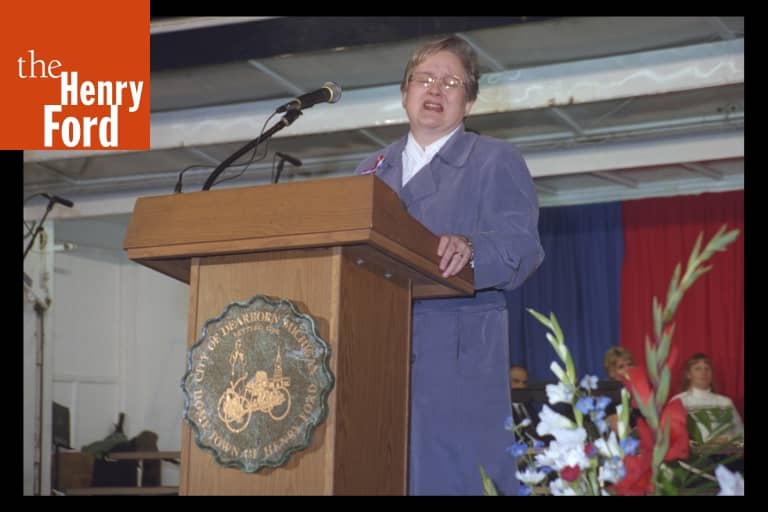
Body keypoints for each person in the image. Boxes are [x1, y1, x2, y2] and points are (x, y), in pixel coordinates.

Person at [355, 36, 544, 495]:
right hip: (375, 358)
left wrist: (474, 248)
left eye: (451, 82)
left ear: (470, 101)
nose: (435, 89)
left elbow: (523, 247)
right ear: (404, 93)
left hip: (458, 366)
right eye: (424, 79)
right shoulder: (369, 170)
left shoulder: (495, 160)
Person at [672, 353, 744, 444]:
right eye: (697, 369)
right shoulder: (679, 401)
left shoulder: (725, 402)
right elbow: (671, 437)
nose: (703, 373)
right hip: (693, 456)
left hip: (726, 455)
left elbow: (740, 433)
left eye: (707, 368)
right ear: (688, 374)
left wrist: (727, 440)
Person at [602, 347, 641, 433]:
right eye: (621, 367)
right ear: (611, 373)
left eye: (630, 364)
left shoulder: (642, 390)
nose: (628, 369)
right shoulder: (607, 396)